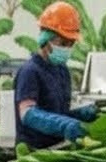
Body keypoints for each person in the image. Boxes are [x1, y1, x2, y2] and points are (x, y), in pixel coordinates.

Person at [14, 2, 98, 149]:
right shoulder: (30, 71)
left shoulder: (62, 71)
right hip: (34, 152)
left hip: (57, 147)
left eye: (71, 44)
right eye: (63, 43)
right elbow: (28, 114)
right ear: (46, 39)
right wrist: (65, 125)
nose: (67, 48)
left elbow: (59, 112)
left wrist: (82, 115)